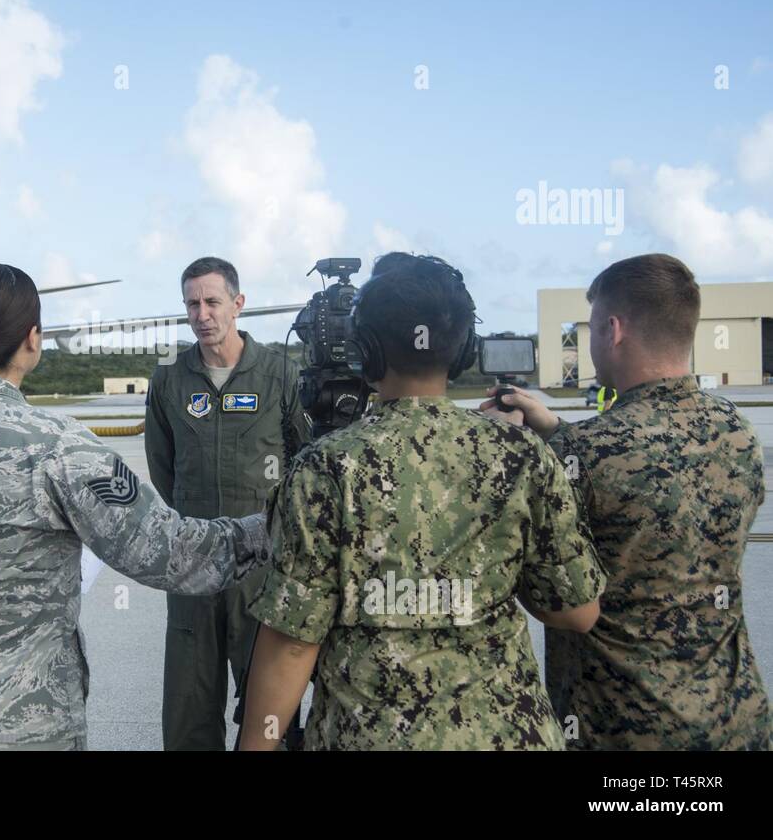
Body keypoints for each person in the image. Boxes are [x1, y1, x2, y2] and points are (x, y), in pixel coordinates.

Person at [0, 263, 270, 751]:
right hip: (21, 723)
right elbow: (169, 551)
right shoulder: (60, 446)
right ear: (33, 340)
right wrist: (274, 526)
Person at [241, 253, 605, 751]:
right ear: (463, 353)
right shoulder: (523, 456)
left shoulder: (324, 468)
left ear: (365, 350)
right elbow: (577, 612)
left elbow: (292, 644)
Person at [483, 254, 771, 750]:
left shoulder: (586, 453)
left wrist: (511, 451)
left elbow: (548, 591)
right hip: (737, 719)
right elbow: (651, 470)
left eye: (592, 328)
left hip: (622, 730)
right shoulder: (737, 431)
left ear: (613, 330)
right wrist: (557, 431)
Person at [144, 255, 309, 750]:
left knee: (270, 713)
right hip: (192, 564)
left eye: (212, 301)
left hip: (261, 567)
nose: (202, 314)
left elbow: (304, 461)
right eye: (192, 304)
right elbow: (162, 465)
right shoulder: (169, 378)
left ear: (238, 304)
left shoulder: (279, 373)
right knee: (189, 707)